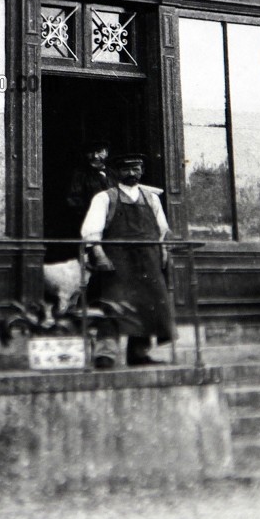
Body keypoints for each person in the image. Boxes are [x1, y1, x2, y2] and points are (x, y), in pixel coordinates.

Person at [80, 154, 175, 368]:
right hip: (118, 262)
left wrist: (164, 253)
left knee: (147, 306)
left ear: (142, 171)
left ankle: (139, 354)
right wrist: (100, 255)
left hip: (148, 260)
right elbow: (91, 231)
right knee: (113, 307)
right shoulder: (105, 198)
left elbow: (162, 230)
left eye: (136, 169)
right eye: (126, 169)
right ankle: (105, 355)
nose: (132, 173)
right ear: (118, 173)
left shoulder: (152, 198)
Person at [43, 141, 112, 313]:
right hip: (87, 228)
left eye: (99, 151)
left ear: (107, 152)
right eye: (91, 152)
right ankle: (83, 306)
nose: (95, 156)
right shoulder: (80, 175)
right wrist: (91, 214)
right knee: (87, 268)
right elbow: (72, 200)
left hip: (111, 230)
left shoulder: (113, 174)